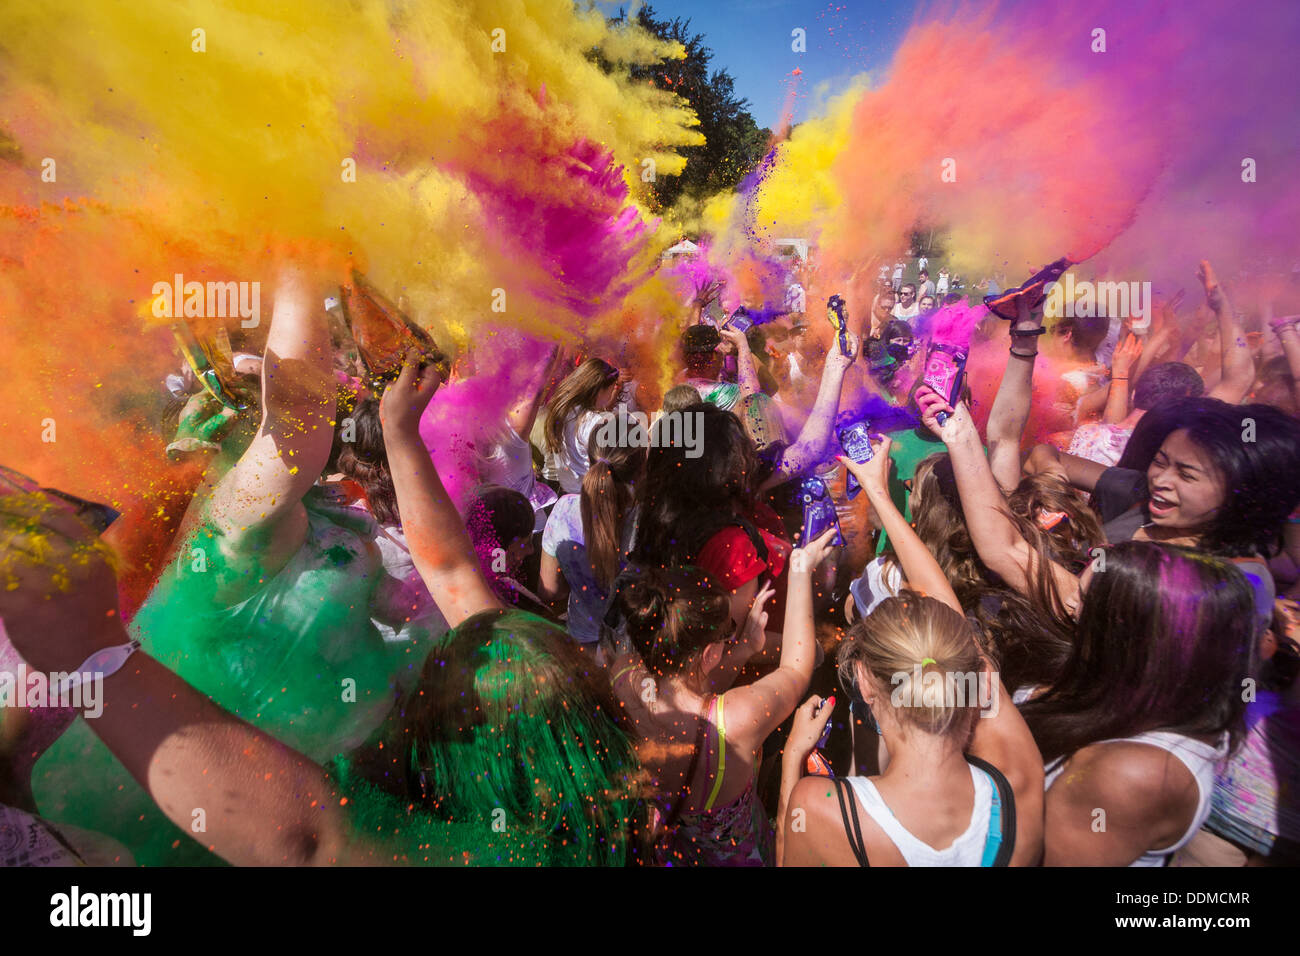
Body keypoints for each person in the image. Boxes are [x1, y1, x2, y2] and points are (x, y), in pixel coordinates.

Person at [778, 440, 1043, 866]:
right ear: (976, 673)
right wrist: (880, 498)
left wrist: (793, 757)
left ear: (864, 680)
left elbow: (786, 853)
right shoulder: (1018, 778)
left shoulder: (826, 809)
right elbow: (945, 607)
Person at [1017, 542, 1255, 866]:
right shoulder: (1137, 693)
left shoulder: (1133, 776)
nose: (1071, 601)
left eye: (1087, 600)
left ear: (1131, 636)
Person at [606, 529, 829, 865]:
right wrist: (799, 569)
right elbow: (796, 671)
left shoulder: (621, 675)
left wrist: (740, 651)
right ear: (709, 654)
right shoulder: (734, 720)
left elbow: (685, 689)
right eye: (728, 632)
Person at [539, 431, 645, 650]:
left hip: (583, 640)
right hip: (633, 648)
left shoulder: (564, 511)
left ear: (589, 459)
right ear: (642, 469)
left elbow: (549, 590)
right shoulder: (652, 521)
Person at [542, 357, 622, 494]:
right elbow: (611, 464)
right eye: (610, 390)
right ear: (599, 390)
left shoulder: (565, 410)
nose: (611, 395)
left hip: (567, 493)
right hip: (589, 496)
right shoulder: (594, 422)